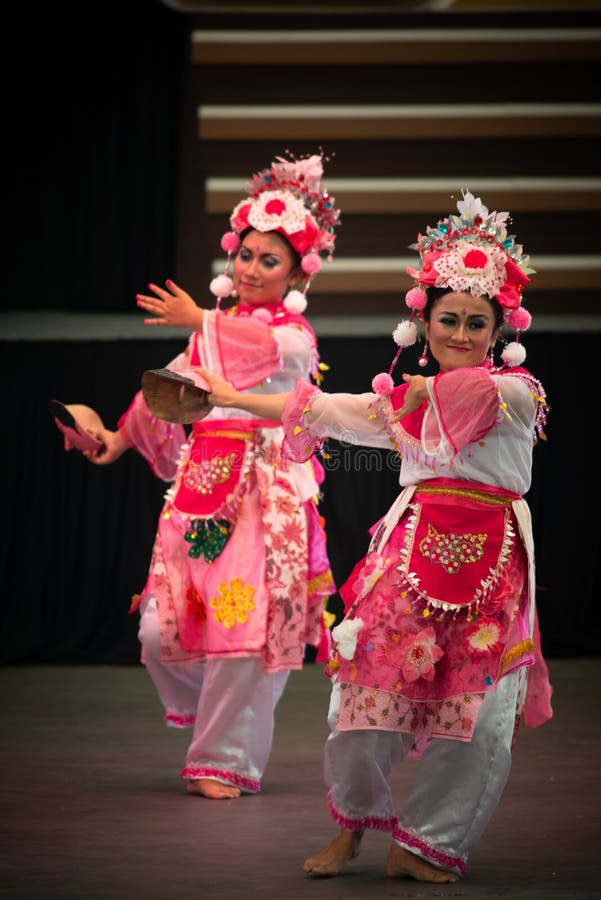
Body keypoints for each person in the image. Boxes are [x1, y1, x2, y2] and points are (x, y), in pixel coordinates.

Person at [189, 190, 554, 878]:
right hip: (409, 556)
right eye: (448, 319)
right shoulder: (401, 400)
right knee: (359, 695)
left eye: (477, 323)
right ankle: (355, 824)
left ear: (498, 330)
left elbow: (479, 394)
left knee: (474, 715)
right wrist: (230, 396)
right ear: (423, 322)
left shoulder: (515, 393)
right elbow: (320, 408)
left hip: (493, 567)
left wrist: (418, 396)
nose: (460, 334)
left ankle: (428, 844)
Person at [81, 151, 341, 799]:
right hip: (203, 489)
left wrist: (202, 319)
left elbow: (258, 353)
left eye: (268, 260)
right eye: (245, 255)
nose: (250, 269)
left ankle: (224, 756)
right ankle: (221, 719)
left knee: (243, 627)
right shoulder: (215, 331)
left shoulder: (292, 338)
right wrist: (113, 439)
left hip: (266, 494)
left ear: (295, 274)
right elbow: (173, 387)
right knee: (156, 629)